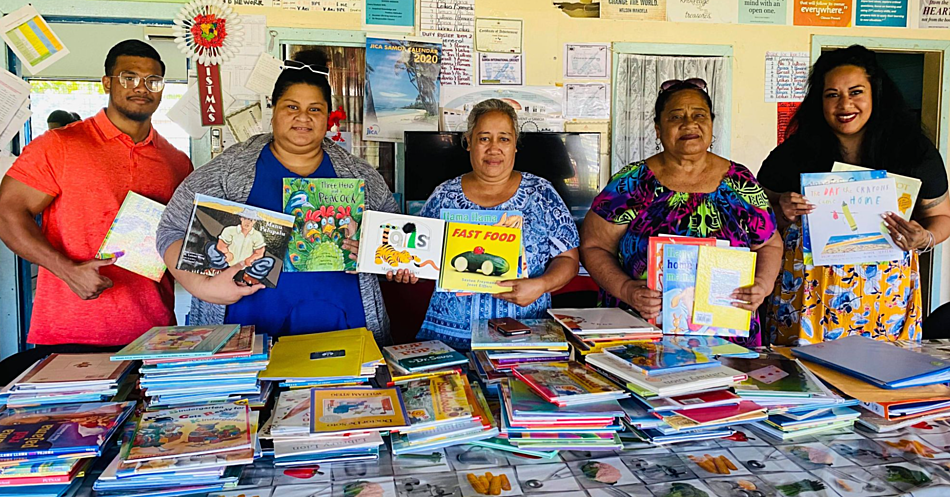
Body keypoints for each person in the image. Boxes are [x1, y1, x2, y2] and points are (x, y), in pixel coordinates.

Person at [157, 49, 412, 344]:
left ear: (328, 116)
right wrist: (203, 286)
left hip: (344, 324)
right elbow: (170, 229)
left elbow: (395, 237)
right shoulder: (229, 169)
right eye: (291, 107)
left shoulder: (360, 175)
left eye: (315, 109)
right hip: (246, 327)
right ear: (273, 109)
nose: (303, 117)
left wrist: (391, 261)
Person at [0, 40, 192, 383]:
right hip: (69, 335)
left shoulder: (176, 161)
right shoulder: (61, 145)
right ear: (107, 82)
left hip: (153, 337)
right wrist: (67, 269)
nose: (141, 88)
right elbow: (7, 212)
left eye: (153, 81)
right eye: (129, 77)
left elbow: (180, 242)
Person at [757, 45, 950, 345]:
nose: (845, 104)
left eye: (856, 92)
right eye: (832, 94)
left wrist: (923, 238)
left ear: (876, 94)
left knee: (882, 380)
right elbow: (757, 215)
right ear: (819, 101)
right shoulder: (793, 154)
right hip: (807, 303)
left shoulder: (913, 152)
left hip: (886, 301)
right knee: (806, 383)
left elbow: (942, 216)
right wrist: (781, 210)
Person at [580, 79, 782, 348]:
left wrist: (763, 285)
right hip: (640, 334)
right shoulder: (633, 183)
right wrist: (626, 289)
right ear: (658, 129)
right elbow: (594, 246)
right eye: (676, 116)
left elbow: (770, 242)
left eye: (699, 115)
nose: (689, 124)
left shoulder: (739, 182)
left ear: (711, 124)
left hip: (726, 337)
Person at [416, 99, 580, 350]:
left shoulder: (541, 193)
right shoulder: (444, 196)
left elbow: (569, 260)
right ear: (468, 142)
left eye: (503, 139)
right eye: (484, 138)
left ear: (515, 145)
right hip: (449, 339)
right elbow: (417, 257)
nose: (494, 148)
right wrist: (406, 269)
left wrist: (540, 285)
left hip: (524, 332)